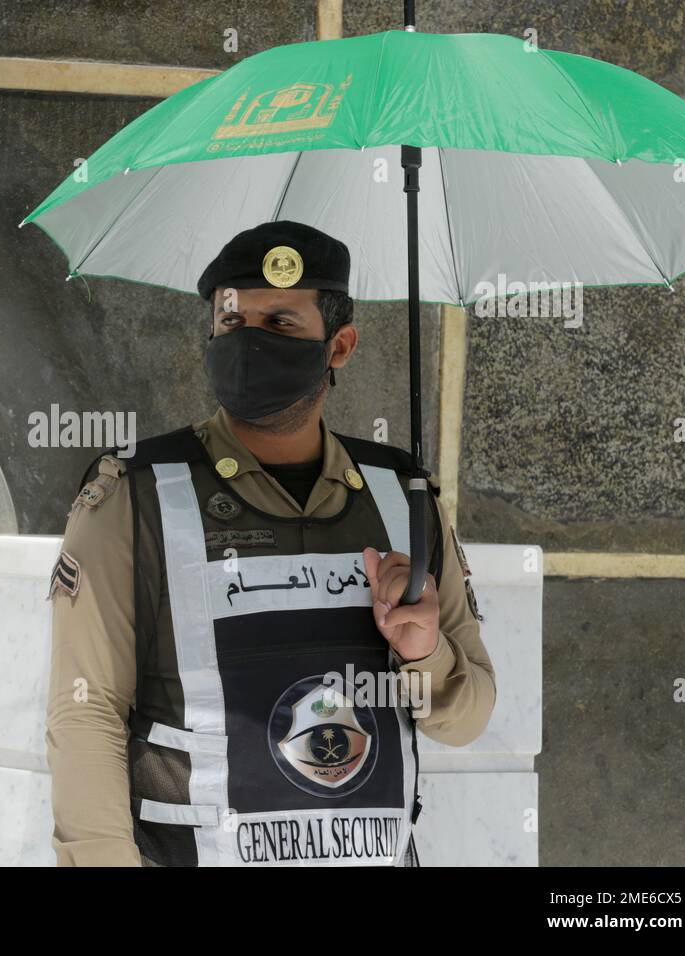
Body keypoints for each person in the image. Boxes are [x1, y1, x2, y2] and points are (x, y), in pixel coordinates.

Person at [45, 220, 496, 867]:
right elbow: (85, 717)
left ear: (339, 346)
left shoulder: (404, 497)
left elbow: (468, 716)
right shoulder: (135, 497)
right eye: (233, 323)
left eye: (280, 324)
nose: (250, 343)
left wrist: (425, 653)